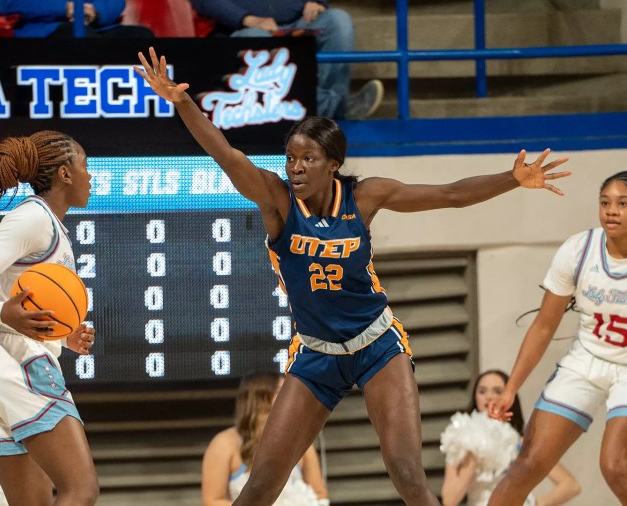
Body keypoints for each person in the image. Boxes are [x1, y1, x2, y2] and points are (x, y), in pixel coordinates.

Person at [135, 46, 570, 506]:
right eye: (290, 159)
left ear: (333, 164)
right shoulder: (278, 202)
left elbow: (450, 194)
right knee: (261, 483)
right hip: (317, 353)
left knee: (406, 472)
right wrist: (181, 101)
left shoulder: (364, 197)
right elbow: (225, 153)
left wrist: (514, 178)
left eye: (307, 159)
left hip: (376, 345)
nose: (296, 168)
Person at [487, 171, 627, 506]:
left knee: (616, 468)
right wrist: (511, 388)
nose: (611, 210)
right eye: (605, 203)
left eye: (623, 203)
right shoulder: (578, 250)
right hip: (585, 361)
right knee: (527, 463)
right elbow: (544, 326)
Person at [0, 130, 99, 505]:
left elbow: (18, 294)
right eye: (85, 166)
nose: (91, 176)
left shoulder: (49, 224)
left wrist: (62, 336)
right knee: (80, 491)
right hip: (14, 361)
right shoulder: (34, 217)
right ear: (65, 173)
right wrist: (2, 310)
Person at [189, 0, 383, 120]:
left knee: (338, 21)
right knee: (255, 38)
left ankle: (332, 106)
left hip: (300, 21)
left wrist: (316, 1)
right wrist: (246, 18)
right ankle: (331, 109)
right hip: (242, 27)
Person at [440, 370, 581, 506]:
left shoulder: (520, 443)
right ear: (475, 397)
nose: (488, 397)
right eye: (482, 391)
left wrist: (535, 503)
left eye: (497, 391)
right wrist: (472, 460)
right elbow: (449, 500)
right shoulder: (460, 440)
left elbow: (570, 485)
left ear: (509, 397)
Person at [202, 371, 329, 506]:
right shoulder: (224, 443)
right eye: (281, 392)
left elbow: (320, 494)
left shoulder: (300, 437)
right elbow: (212, 501)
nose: (290, 398)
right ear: (259, 398)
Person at [0, 0, 153, 38]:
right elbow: (9, 4)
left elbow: (115, 2)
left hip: (94, 26)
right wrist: (66, 8)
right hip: (43, 30)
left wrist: (95, 12)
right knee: (80, 36)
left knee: (141, 37)